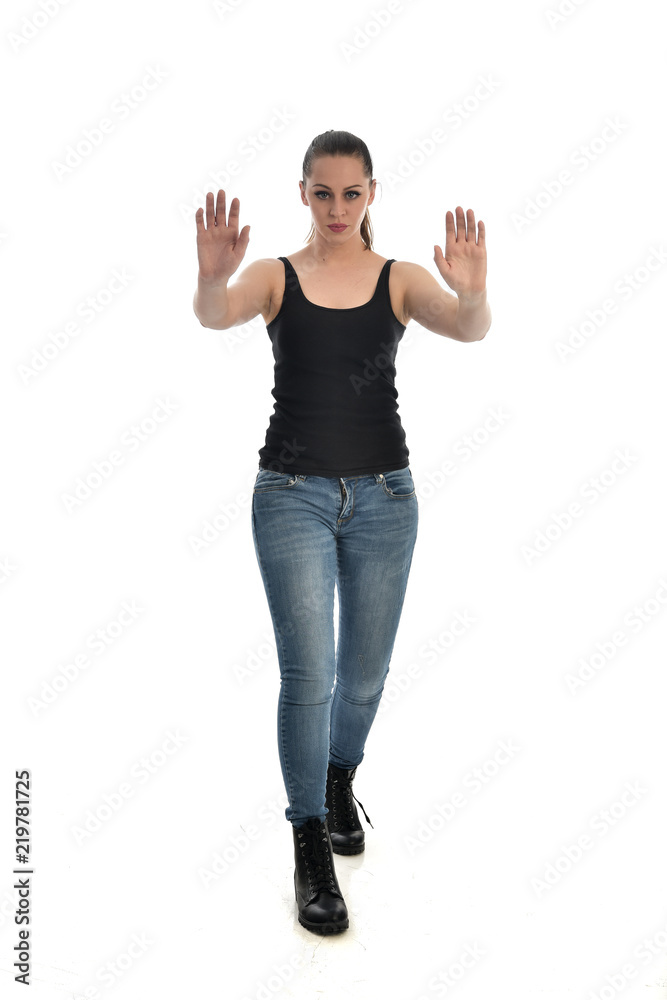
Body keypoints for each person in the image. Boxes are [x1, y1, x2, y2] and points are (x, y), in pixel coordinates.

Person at [193, 129, 491, 936]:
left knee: (362, 676)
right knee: (309, 676)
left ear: (370, 194)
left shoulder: (398, 279)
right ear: (303, 193)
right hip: (290, 496)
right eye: (322, 193)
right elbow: (215, 313)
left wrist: (471, 294)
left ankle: (337, 779)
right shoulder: (275, 276)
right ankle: (308, 844)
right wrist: (211, 279)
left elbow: (469, 328)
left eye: (350, 193)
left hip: (385, 497)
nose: (336, 207)